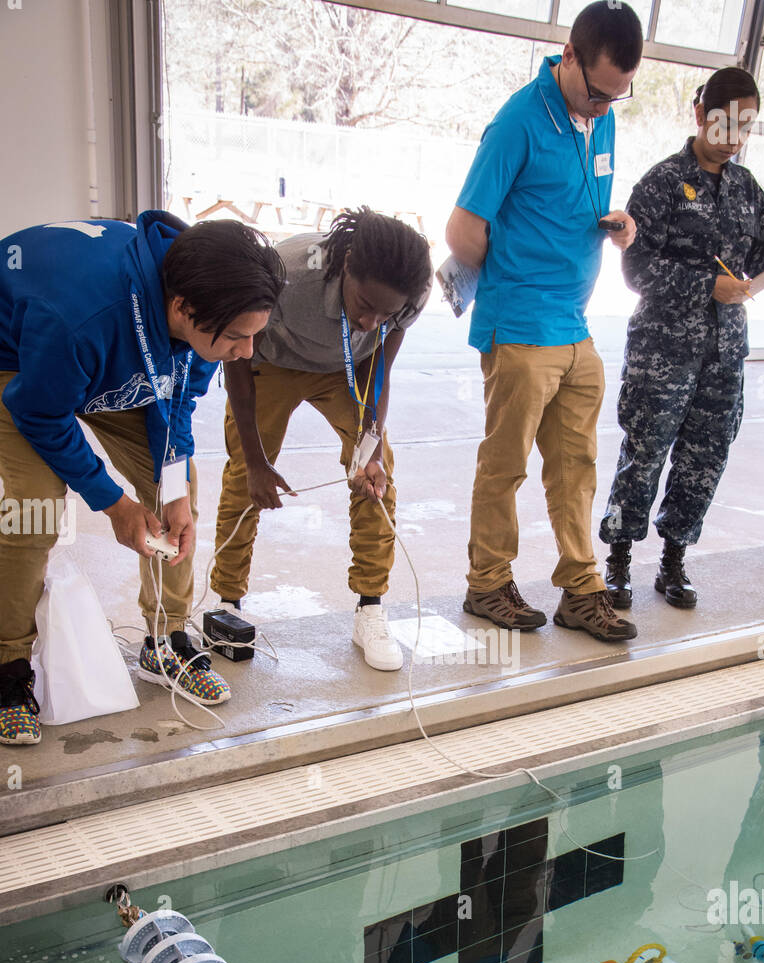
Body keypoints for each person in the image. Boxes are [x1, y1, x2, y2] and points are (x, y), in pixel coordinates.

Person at [0, 213, 284, 747]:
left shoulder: (203, 306)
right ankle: (8, 667)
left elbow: (178, 400)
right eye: (239, 338)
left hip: (99, 357)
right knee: (34, 506)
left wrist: (171, 489)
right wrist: (113, 504)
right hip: (19, 360)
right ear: (183, 309)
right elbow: (40, 412)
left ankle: (166, 638)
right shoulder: (82, 315)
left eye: (255, 336)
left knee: (180, 488)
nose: (246, 353)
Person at [599, 67, 764, 611]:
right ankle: (617, 561)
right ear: (700, 115)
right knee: (646, 453)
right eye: (726, 124)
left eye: (745, 127)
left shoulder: (747, 190)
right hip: (663, 353)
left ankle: (674, 559)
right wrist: (710, 285)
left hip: (724, 354)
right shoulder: (662, 182)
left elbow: (758, 258)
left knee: (705, 457)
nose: (734, 138)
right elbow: (635, 269)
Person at [445, 0, 642, 643]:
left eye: (619, 95)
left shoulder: (600, 117)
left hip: (573, 325)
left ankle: (580, 590)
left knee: (577, 465)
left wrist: (618, 226)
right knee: (505, 464)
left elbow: (582, 199)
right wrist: (510, 273)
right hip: (521, 323)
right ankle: (487, 582)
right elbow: (462, 228)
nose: (603, 107)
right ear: (570, 56)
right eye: (596, 91)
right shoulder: (518, 123)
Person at [210, 209, 432, 671]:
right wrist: (254, 461)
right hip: (269, 362)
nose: (372, 321)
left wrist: (367, 449)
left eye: (385, 314)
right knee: (244, 478)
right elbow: (235, 361)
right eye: (365, 304)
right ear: (347, 265)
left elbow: (380, 369)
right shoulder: (284, 275)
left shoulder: (410, 291)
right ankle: (226, 602)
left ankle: (369, 607)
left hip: (346, 372)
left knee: (376, 475)